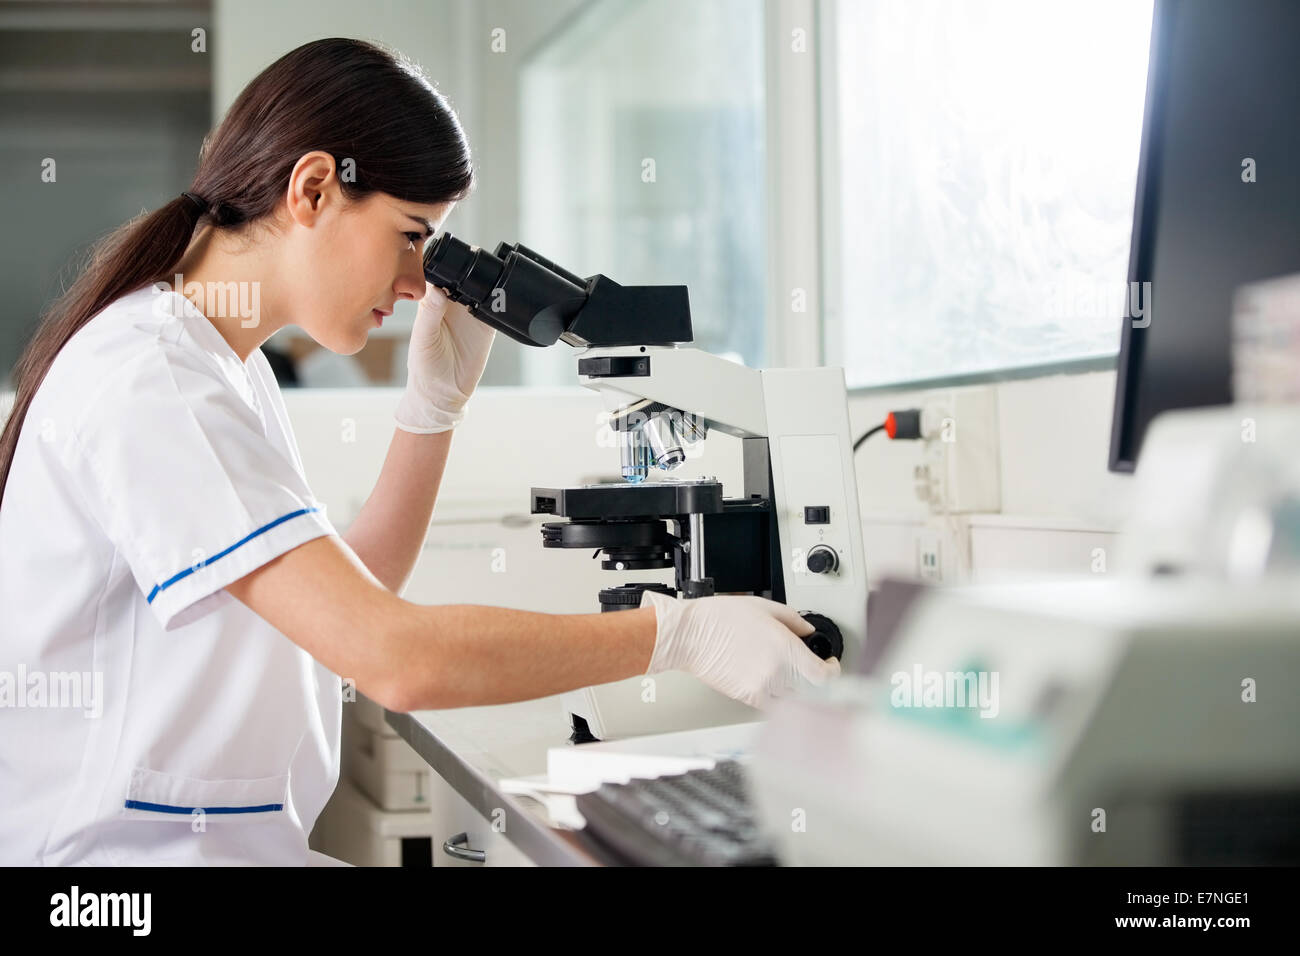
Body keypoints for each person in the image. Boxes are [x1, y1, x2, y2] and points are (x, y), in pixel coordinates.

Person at [0, 38, 838, 866]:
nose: (417, 282)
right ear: (315, 189)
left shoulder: (226, 365)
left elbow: (354, 595)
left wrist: (430, 412)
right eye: (412, 235)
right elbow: (392, 656)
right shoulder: (156, 378)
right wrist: (675, 635)